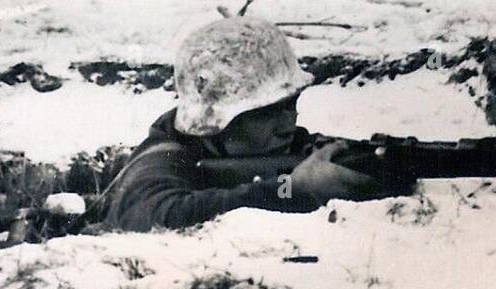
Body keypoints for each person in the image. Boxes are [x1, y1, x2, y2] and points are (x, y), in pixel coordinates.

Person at [95, 17, 394, 233]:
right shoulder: (161, 157)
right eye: (267, 113)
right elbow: (151, 215)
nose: (288, 123)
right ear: (216, 120)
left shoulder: (275, 145)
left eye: (291, 105)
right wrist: (294, 190)